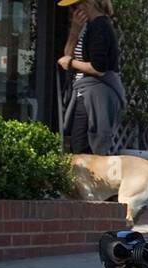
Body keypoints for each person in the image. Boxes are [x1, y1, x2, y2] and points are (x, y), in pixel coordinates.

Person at [58, 0, 124, 155]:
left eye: (75, 6)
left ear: (87, 3)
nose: (72, 11)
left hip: (93, 95)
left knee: (82, 148)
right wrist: (74, 31)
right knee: (78, 146)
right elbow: (66, 55)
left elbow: (99, 68)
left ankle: (89, 180)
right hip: (84, 93)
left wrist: (72, 63)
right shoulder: (87, 26)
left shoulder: (99, 27)